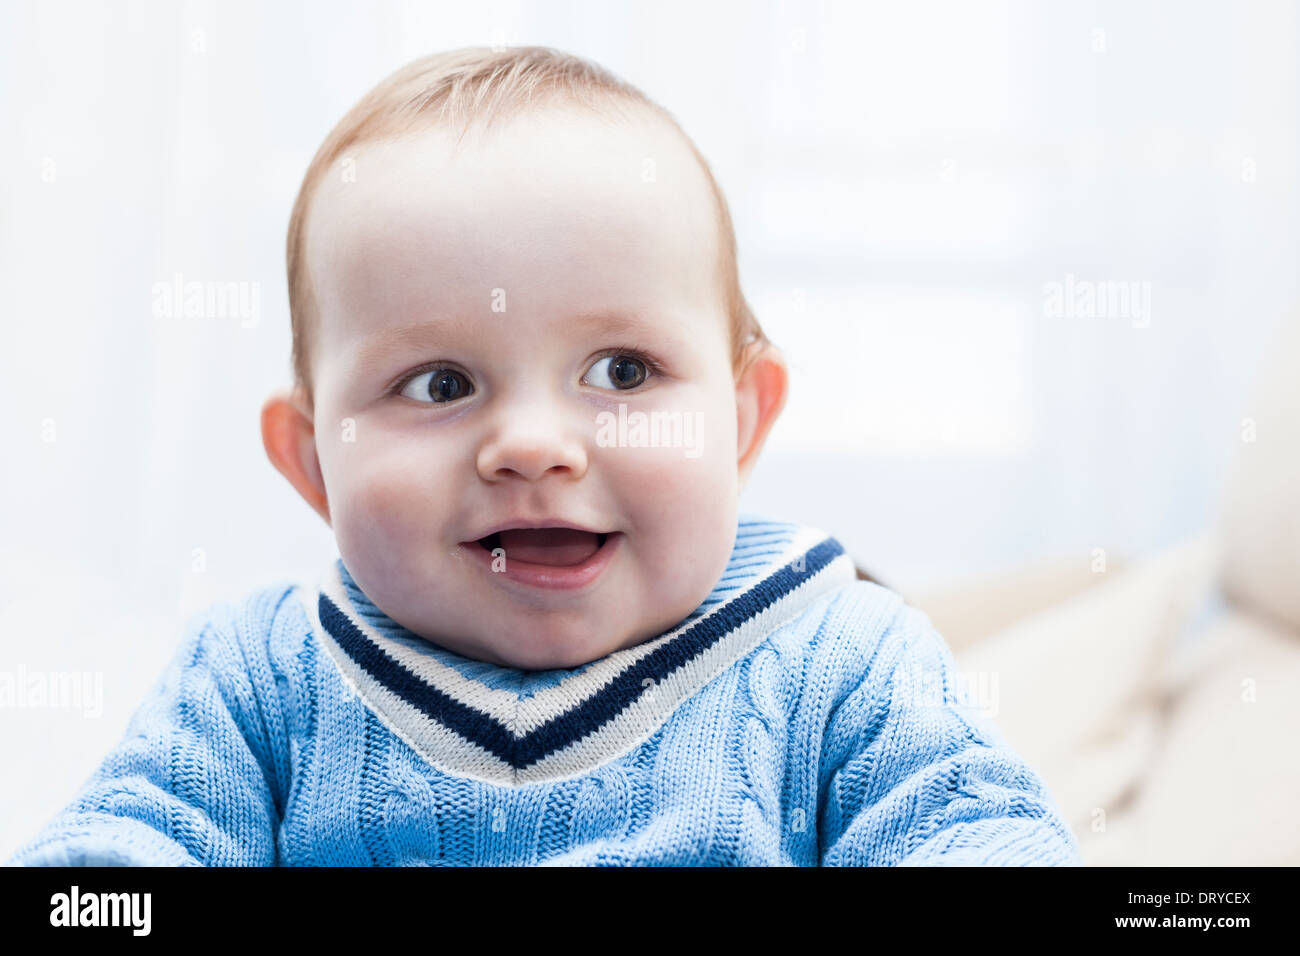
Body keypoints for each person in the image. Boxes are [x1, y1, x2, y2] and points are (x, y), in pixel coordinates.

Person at [7, 46, 1081, 866]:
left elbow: (974, 832)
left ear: (741, 422)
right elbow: (112, 859)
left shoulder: (842, 658)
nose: (529, 444)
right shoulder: (260, 678)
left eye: (621, 371)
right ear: (310, 462)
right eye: (438, 384)